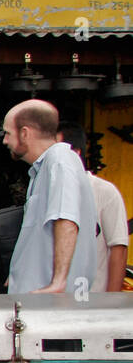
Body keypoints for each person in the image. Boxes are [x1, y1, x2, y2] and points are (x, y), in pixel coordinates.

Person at [1, 99, 102, 294]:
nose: (5, 141)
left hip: (50, 303)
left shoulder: (60, 161)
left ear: (24, 133)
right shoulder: (42, 169)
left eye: (7, 133)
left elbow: (66, 219)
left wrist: (58, 282)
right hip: (37, 299)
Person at [57, 121, 129, 293]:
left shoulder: (104, 191)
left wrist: (110, 303)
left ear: (75, 153)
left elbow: (118, 247)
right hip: (56, 302)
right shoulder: (48, 192)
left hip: (94, 299)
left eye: (56, 150)